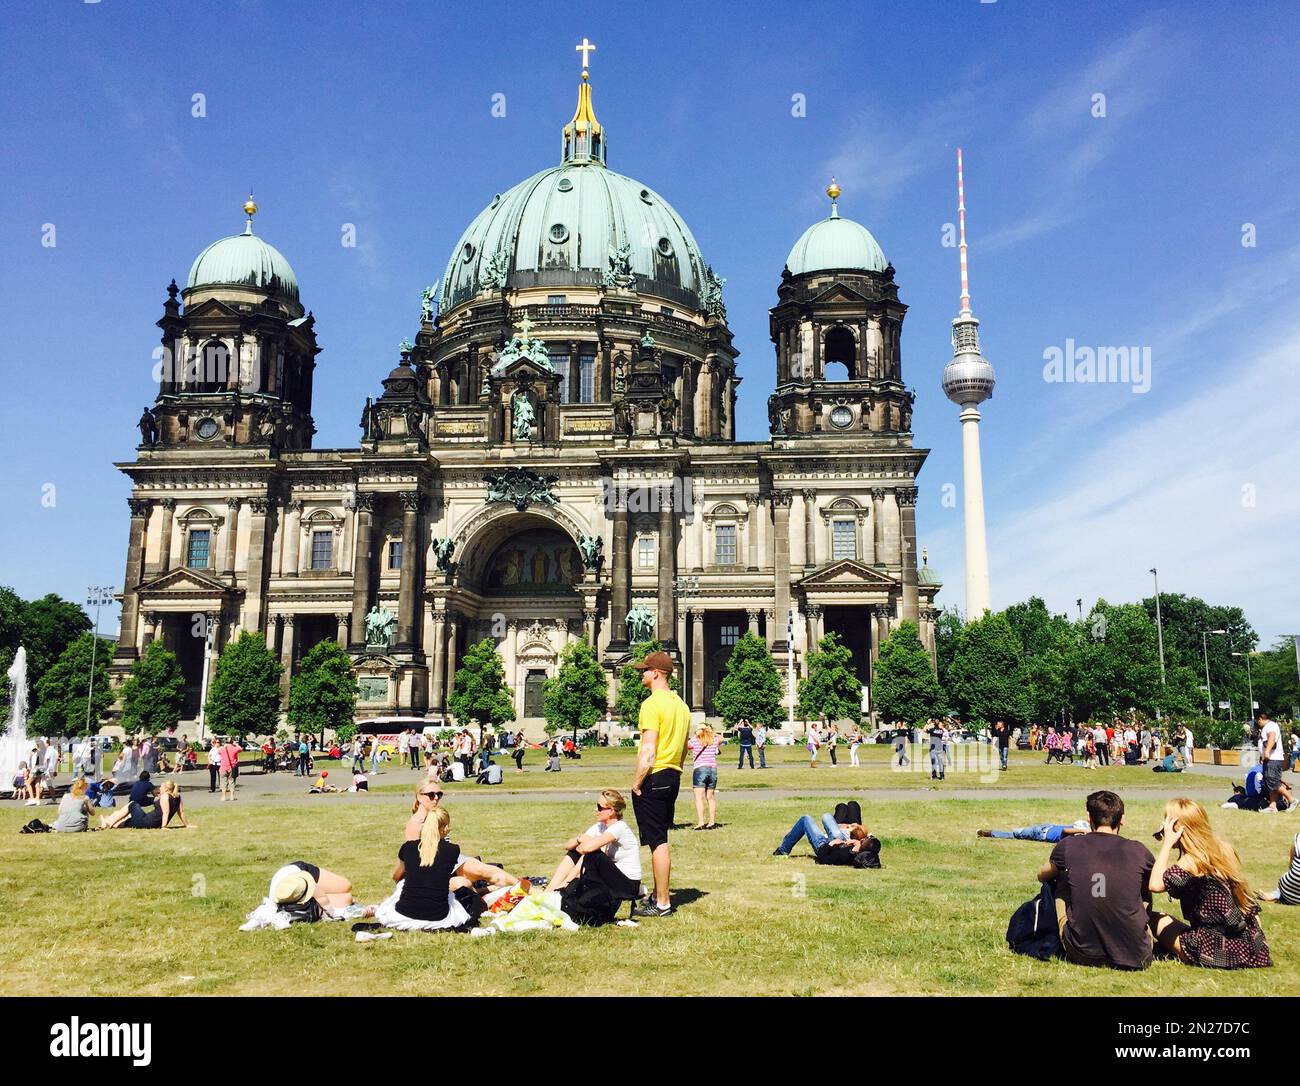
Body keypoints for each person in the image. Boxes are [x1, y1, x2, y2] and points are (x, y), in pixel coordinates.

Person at [1037, 790, 1157, 970]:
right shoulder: (1139, 850)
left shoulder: (1069, 845)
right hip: (1137, 954)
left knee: (1060, 878)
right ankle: (1138, 928)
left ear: (1089, 817)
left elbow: (1042, 875)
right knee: (1144, 883)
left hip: (1081, 951)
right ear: (1122, 819)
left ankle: (1068, 928)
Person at [1148, 798, 1271, 968]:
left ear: (1177, 827)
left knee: (1154, 918)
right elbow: (1247, 903)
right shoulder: (1224, 848)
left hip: (1213, 948)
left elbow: (1154, 885)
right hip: (1250, 944)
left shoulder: (1192, 861)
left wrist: (1167, 843)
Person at [629, 649, 690, 918]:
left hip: (654, 776)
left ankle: (662, 902)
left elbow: (648, 750)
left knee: (657, 842)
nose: (641, 674)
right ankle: (657, 894)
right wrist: (676, 768)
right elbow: (685, 747)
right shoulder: (681, 705)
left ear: (656, 673)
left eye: (644, 670)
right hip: (672, 774)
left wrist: (637, 782)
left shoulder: (651, 704)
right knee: (660, 836)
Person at [547, 789, 643, 902]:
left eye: (599, 807)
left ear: (611, 811)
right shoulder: (600, 826)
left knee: (592, 853)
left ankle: (564, 887)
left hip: (628, 885)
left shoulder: (619, 827)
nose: (595, 810)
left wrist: (586, 842)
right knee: (574, 851)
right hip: (612, 878)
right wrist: (579, 839)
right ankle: (550, 890)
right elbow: (568, 846)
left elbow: (586, 848)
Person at [269, 861, 369, 921]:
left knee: (346, 886)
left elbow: (324, 901)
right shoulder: (284, 894)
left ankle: (326, 891)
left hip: (302, 871)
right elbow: (330, 910)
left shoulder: (302, 883)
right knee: (347, 899)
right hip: (295, 887)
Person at [772, 803, 871, 858]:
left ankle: (783, 850)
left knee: (810, 818)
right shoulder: (861, 843)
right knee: (846, 806)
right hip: (840, 840)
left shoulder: (854, 847)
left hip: (826, 846)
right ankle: (783, 850)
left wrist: (833, 843)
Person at [101, 779, 192, 829]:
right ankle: (108, 821)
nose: (159, 788)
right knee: (126, 821)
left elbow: (166, 812)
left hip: (148, 822)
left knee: (132, 804)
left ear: (167, 789)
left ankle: (109, 823)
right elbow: (181, 812)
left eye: (161, 787)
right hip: (151, 822)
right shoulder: (178, 797)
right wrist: (187, 825)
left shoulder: (165, 796)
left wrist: (164, 826)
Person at [686, 725, 721, 831]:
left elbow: (686, 745)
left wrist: (696, 735)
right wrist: (712, 733)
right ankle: (712, 822)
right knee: (711, 797)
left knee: (699, 798)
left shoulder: (695, 740)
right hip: (713, 769)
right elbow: (721, 738)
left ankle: (701, 822)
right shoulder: (713, 740)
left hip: (700, 769)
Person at [1258, 831, 1300, 904]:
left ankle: (1276, 894)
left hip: (1288, 889)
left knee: (1286, 877)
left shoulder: (1298, 838)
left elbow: (1291, 861)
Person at [1258, 713, 1287, 812]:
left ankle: (1292, 799)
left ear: (1260, 719)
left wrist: (1267, 751)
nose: (1258, 723)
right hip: (1269, 758)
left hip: (1273, 758)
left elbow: (1272, 736)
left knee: (1272, 781)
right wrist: (1262, 755)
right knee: (1269, 783)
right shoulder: (1269, 726)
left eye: (1258, 721)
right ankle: (1272, 806)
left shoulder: (1270, 726)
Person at [977, 820, 1089, 842]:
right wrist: (1084, 831)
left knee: (1015, 834)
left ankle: (988, 833)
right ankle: (989, 833)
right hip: (1044, 830)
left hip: (1042, 832)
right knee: (1016, 833)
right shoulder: (1070, 833)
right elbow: (1065, 830)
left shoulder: (1070, 838)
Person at [218, 736, 240, 801]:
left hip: (223, 767)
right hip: (232, 767)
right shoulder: (234, 748)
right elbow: (240, 749)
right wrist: (235, 744)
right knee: (232, 781)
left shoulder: (222, 749)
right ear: (232, 742)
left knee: (223, 782)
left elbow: (218, 751)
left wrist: (224, 746)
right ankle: (232, 796)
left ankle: (224, 796)